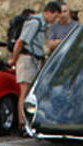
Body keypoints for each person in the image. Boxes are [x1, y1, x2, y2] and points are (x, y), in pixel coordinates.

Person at [8, 3, 56, 135]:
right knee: (24, 92)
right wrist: (14, 59)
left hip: (34, 60)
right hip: (26, 59)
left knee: (30, 93)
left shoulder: (42, 24)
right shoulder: (34, 22)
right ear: (50, 12)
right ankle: (22, 125)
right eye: (55, 16)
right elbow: (20, 41)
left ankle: (28, 122)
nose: (55, 20)